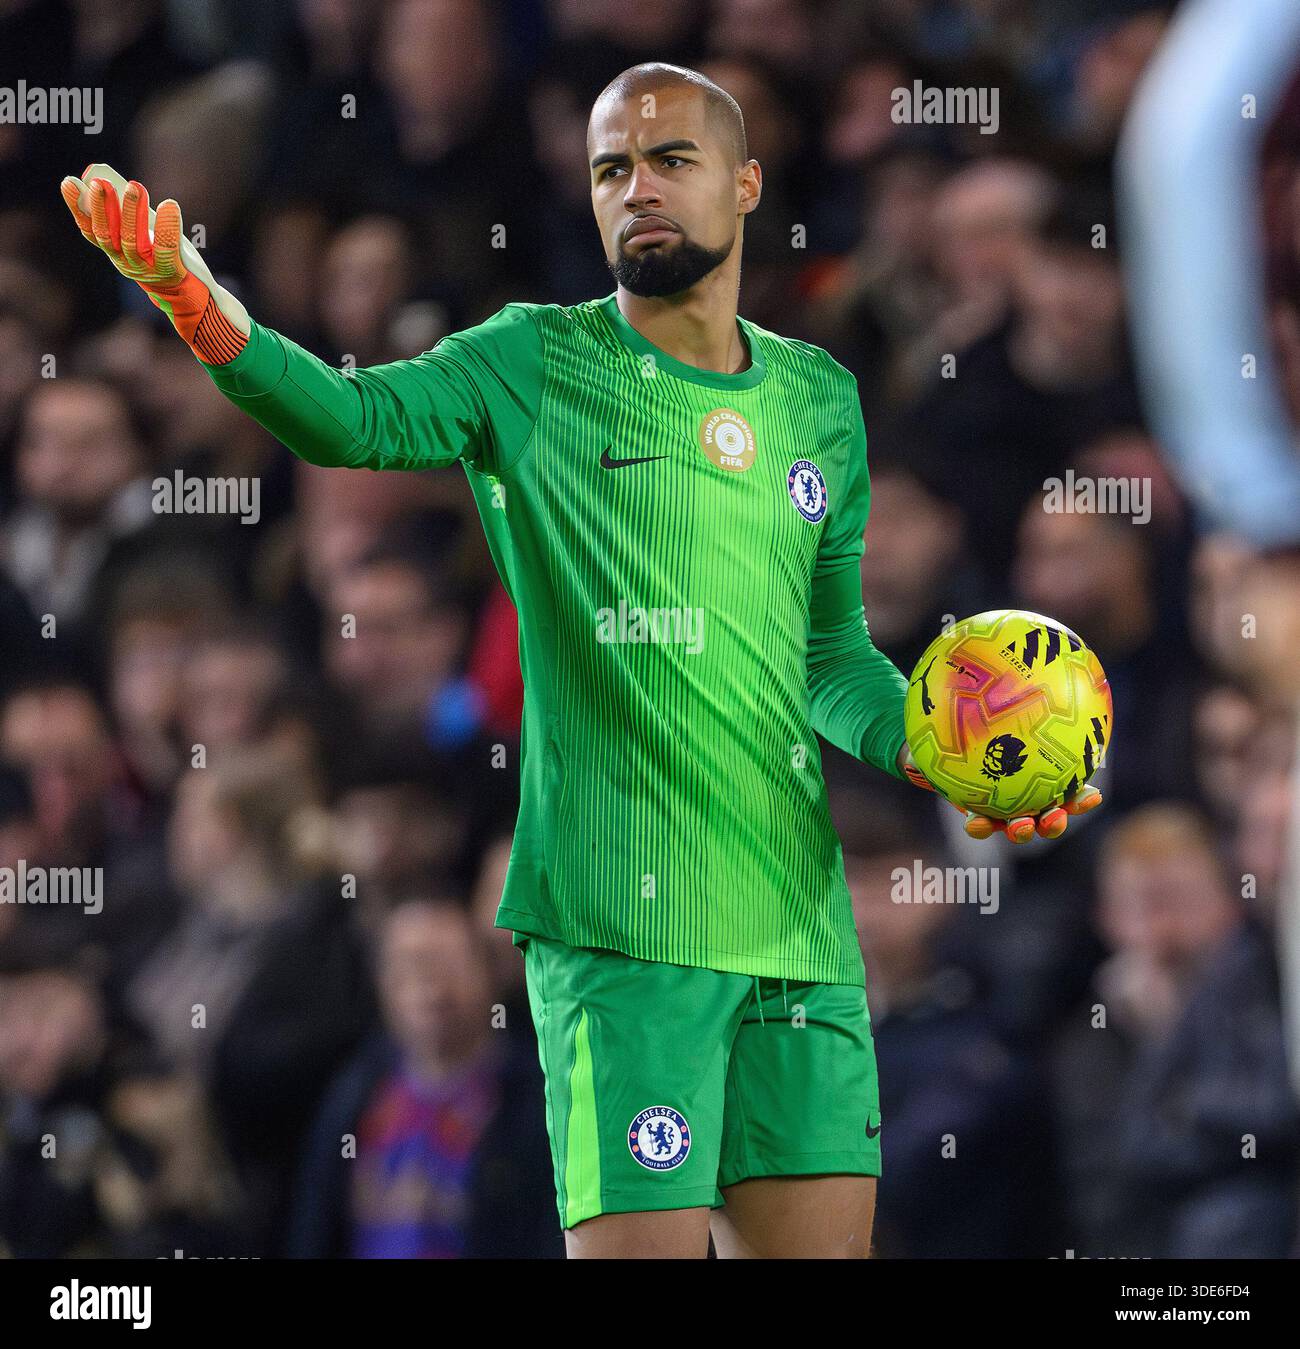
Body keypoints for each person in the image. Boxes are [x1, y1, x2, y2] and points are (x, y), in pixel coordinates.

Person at [60, 62, 1101, 1259]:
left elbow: (827, 658)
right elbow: (350, 420)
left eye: (671, 160)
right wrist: (202, 307)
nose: (637, 188)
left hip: (797, 926)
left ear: (747, 182)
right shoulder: (533, 360)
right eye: (612, 167)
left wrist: (936, 750)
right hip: (621, 924)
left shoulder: (818, 395)